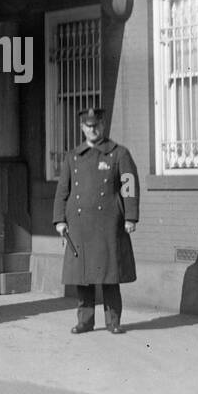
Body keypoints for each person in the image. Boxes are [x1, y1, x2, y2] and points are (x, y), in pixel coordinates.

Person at [53, 108, 139, 334]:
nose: (93, 130)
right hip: (79, 225)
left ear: (103, 126)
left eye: (97, 125)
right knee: (83, 276)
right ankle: (85, 320)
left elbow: (129, 185)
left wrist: (130, 216)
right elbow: (63, 190)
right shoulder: (72, 157)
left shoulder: (119, 154)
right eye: (89, 126)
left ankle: (113, 322)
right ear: (82, 128)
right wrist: (59, 221)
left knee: (109, 275)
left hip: (108, 224)